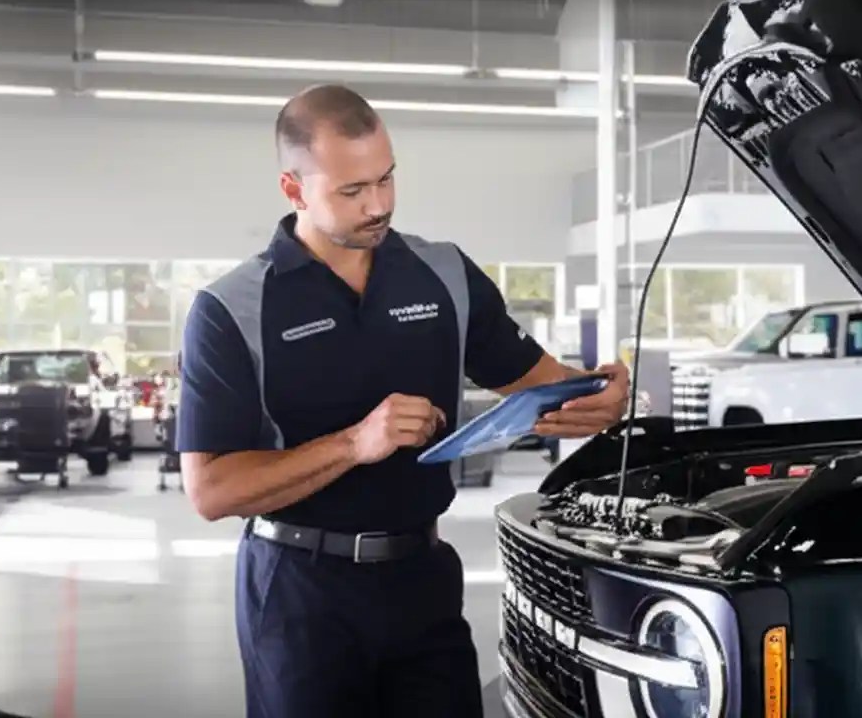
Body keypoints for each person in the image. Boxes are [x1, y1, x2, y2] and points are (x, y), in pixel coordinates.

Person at [177, 83, 629, 718]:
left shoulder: (442, 274)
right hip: (299, 592)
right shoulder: (231, 309)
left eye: (386, 180)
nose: (378, 205)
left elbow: (536, 381)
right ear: (293, 189)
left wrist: (595, 396)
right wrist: (354, 443)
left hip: (423, 581)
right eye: (353, 191)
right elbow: (212, 491)